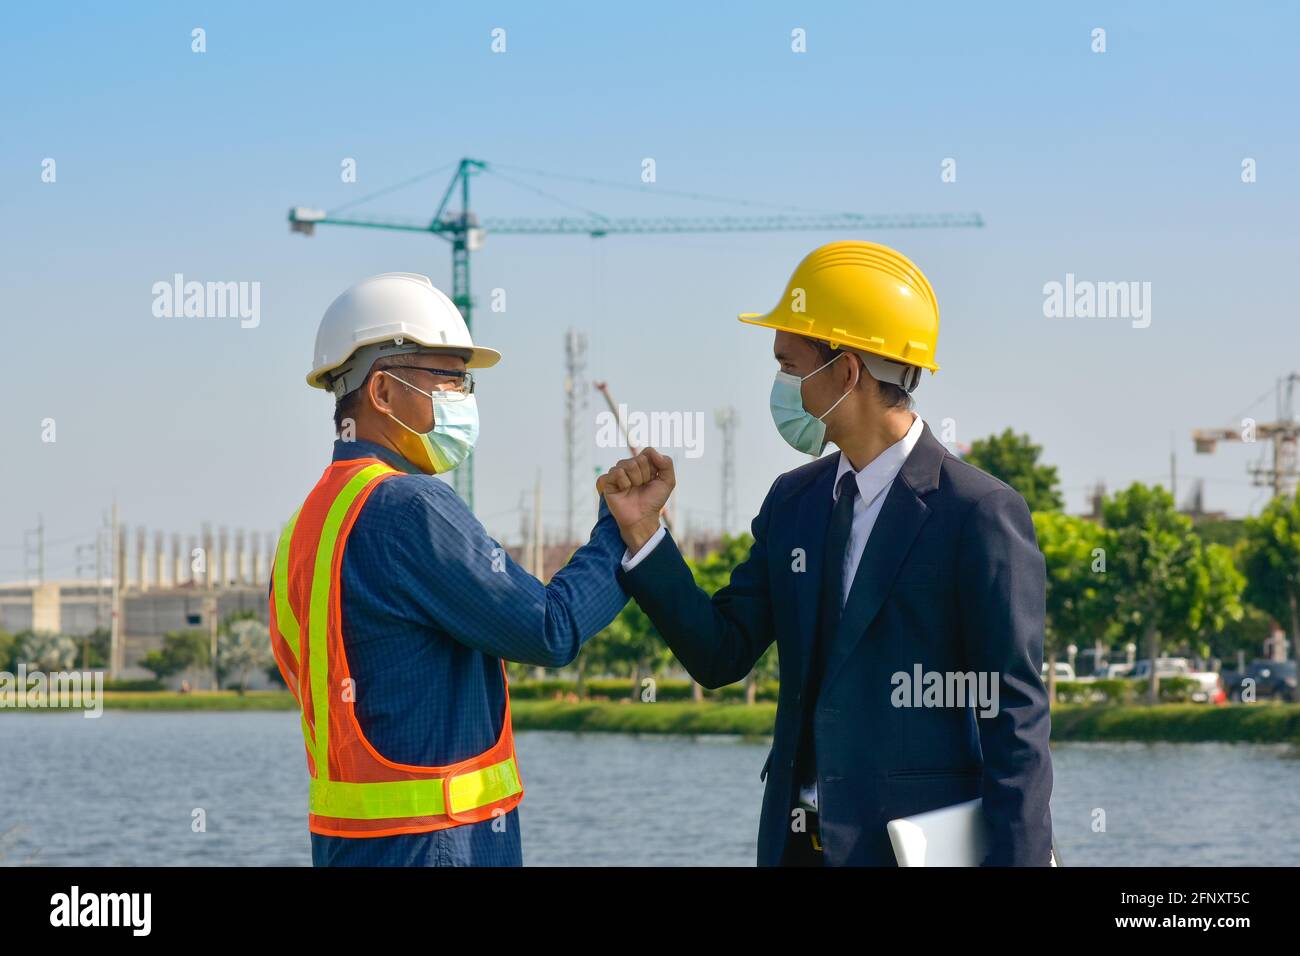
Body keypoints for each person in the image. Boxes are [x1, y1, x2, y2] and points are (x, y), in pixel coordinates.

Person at [597, 241, 1054, 866]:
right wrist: (645, 534)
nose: (782, 385)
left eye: (790, 364)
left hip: (913, 854)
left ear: (847, 372)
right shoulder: (794, 502)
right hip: (794, 851)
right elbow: (721, 652)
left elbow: (1014, 718)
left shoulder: (977, 512)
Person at [269, 272, 628, 866]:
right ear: (382, 393)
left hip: (347, 848)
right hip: (439, 842)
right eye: (448, 378)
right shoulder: (409, 506)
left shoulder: (305, 527)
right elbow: (550, 628)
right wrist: (620, 533)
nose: (463, 396)